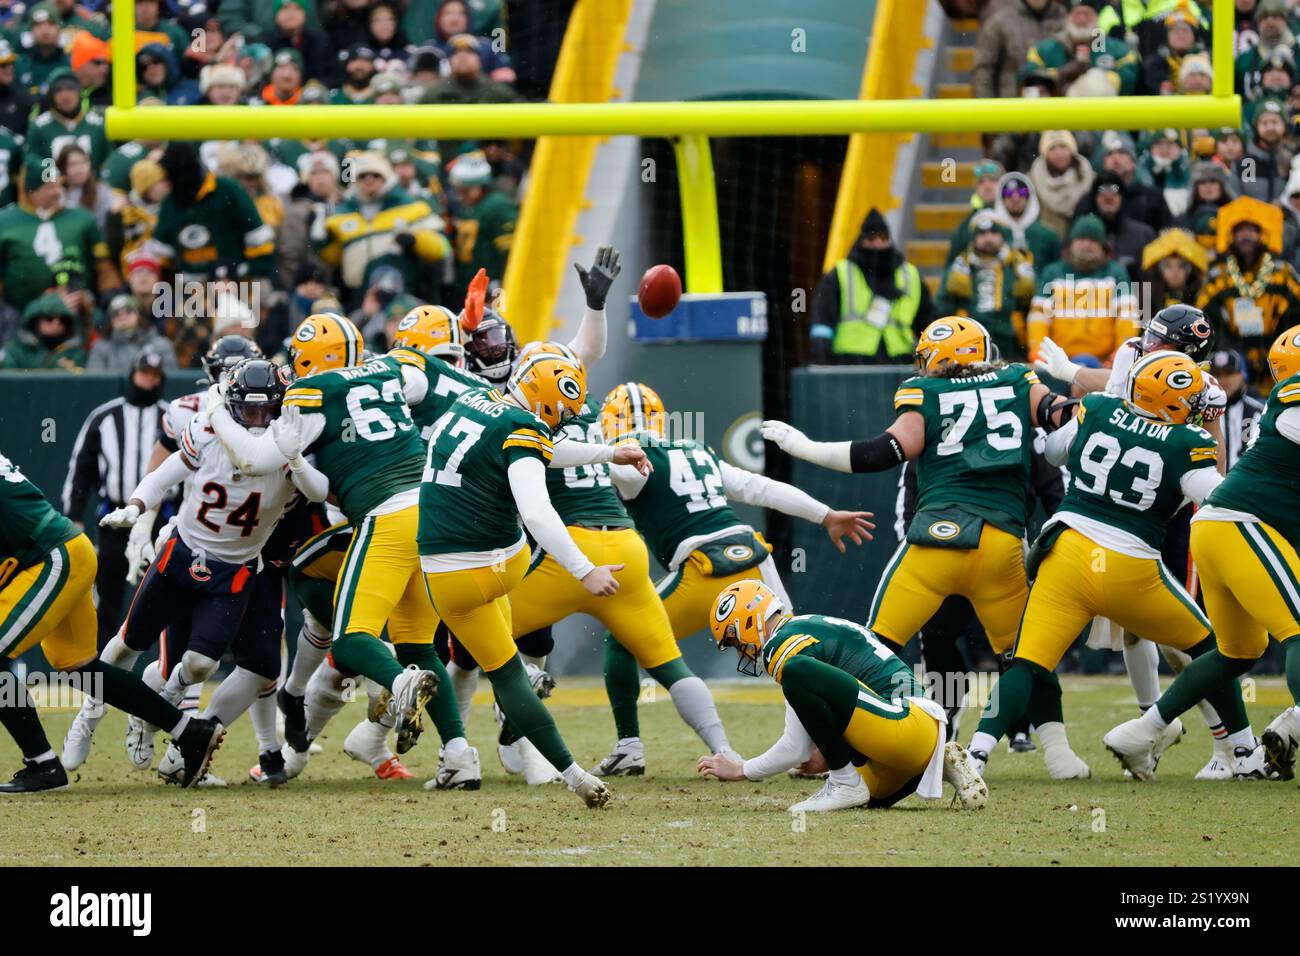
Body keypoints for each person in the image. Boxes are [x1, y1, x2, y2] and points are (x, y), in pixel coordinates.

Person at [761, 317, 1089, 779]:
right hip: (1001, 546)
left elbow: (879, 453)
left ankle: (846, 751)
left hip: (934, 543)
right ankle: (1059, 754)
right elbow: (1069, 414)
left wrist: (807, 447)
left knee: (870, 648)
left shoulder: (925, 394)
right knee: (1026, 658)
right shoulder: (1018, 380)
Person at [969, 352, 1259, 777]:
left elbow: (1052, 452)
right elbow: (1218, 496)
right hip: (1132, 570)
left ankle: (975, 752)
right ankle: (1243, 750)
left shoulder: (1100, 408)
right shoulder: (1188, 443)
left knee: (1027, 664)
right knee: (1213, 649)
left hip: (1065, 553)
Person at [595, 379, 874, 776]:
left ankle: (631, 746)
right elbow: (759, 488)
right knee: (798, 656)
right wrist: (825, 514)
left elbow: (619, 473)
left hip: (703, 567)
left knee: (621, 638)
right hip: (755, 559)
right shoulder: (696, 451)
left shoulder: (626, 460)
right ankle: (832, 748)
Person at [1104, 328, 1300, 781]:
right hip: (1242, 524)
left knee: (1237, 651)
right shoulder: (1292, 394)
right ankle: (1291, 726)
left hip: (1222, 527)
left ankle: (1142, 730)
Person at [0, 449, 223, 792]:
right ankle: (189, 732)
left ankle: (42, 764)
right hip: (62, 550)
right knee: (82, 668)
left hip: (49, 557)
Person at [698, 580, 988, 813]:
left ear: (750, 621)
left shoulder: (781, 646)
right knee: (869, 802)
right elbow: (809, 733)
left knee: (798, 671)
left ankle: (843, 781)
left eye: (736, 641)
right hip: (910, 741)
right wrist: (828, 754)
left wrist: (741, 769)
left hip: (905, 726)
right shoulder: (805, 628)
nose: (741, 652)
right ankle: (941, 765)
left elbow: (796, 747)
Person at [62, 351, 170, 642]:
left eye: (155, 376)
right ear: (133, 375)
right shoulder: (105, 416)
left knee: (166, 590)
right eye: (144, 373)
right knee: (107, 591)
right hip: (115, 515)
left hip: (160, 515)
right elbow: (81, 468)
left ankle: (162, 664)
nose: (148, 380)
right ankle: (99, 663)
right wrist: (74, 515)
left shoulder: (171, 416)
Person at [318, 150, 449, 307]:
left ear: (386, 177)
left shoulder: (412, 207)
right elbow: (334, 258)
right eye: (363, 175)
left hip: (404, 294)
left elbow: (442, 248)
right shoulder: (343, 213)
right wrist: (321, 241)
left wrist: (416, 239)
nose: (369, 179)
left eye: (375, 175)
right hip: (358, 296)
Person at [809, 208, 934, 364]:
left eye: (883, 237)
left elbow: (929, 324)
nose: (877, 243)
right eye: (871, 237)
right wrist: (822, 360)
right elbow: (822, 320)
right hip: (850, 363)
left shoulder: (910, 275)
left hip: (898, 363)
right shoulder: (840, 274)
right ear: (861, 240)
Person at [1197, 195, 1300, 382]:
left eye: (1251, 230)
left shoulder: (1283, 273)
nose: (1246, 236)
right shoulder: (1219, 276)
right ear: (1232, 235)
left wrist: (1280, 349)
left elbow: (1295, 314)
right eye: (1240, 230)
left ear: (1262, 235)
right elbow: (1207, 320)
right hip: (1232, 371)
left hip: (1281, 363)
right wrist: (1230, 353)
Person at [0, 164, 116, 316]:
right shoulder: (5, 222)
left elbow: (104, 265)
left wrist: (110, 295)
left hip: (79, 310)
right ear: (31, 192)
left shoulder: (81, 218)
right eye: (48, 188)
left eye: (58, 186)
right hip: (18, 314)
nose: (56, 192)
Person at [152, 142, 277, 283]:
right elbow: (163, 256)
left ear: (182, 175)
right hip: (191, 290)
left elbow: (258, 238)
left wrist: (246, 271)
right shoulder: (170, 203)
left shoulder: (228, 191)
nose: (166, 183)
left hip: (236, 284)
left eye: (170, 177)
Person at [1027, 214, 1139, 363]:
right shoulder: (1052, 272)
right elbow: (1039, 317)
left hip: (1104, 362)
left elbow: (1127, 316)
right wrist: (1038, 351)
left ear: (1102, 245)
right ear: (1071, 243)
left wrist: (1121, 353)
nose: (1086, 245)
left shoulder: (1115, 272)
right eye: (1081, 239)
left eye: (1093, 240)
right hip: (1058, 361)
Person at [936, 211, 1037, 361]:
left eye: (994, 233)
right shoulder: (959, 268)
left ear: (1003, 236)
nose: (988, 238)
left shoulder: (1018, 266)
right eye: (982, 234)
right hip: (968, 343)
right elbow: (944, 306)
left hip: (1011, 342)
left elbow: (1030, 306)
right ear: (973, 238)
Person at [1020, 0, 1140, 96]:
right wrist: (1061, 75)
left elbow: (1129, 79)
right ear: (1067, 17)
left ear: (1097, 17)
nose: (1082, 20)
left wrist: (1091, 77)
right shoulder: (1044, 50)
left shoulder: (1117, 50)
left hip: (1103, 119)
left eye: (1087, 14)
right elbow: (1027, 77)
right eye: (1078, 14)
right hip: (1057, 119)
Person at [446, 151, 514, 303]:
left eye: (465, 190)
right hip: (473, 289)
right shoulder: (468, 209)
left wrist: (499, 286)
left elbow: (508, 253)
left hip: (494, 288)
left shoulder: (497, 205)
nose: (460, 196)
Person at [974, 0, 1066, 100]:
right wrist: (988, 110)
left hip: (1059, 107)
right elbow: (983, 71)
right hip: (1011, 107)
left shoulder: (1066, 17)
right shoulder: (999, 21)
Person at [1028, 130, 1095, 240]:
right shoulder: (1032, 180)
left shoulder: (1090, 178)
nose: (1058, 153)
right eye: (1052, 148)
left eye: (1063, 146)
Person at [85, 294, 178, 371]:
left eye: (128, 311)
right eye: (116, 313)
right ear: (110, 321)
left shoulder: (161, 344)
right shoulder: (100, 347)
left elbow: (171, 382)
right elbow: (96, 385)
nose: (122, 316)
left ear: (139, 314)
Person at [1, 294, 86, 370]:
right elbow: (10, 383)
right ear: (36, 321)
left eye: (63, 320)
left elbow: (78, 383)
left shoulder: (75, 352)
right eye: (49, 318)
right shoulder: (16, 350)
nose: (56, 323)